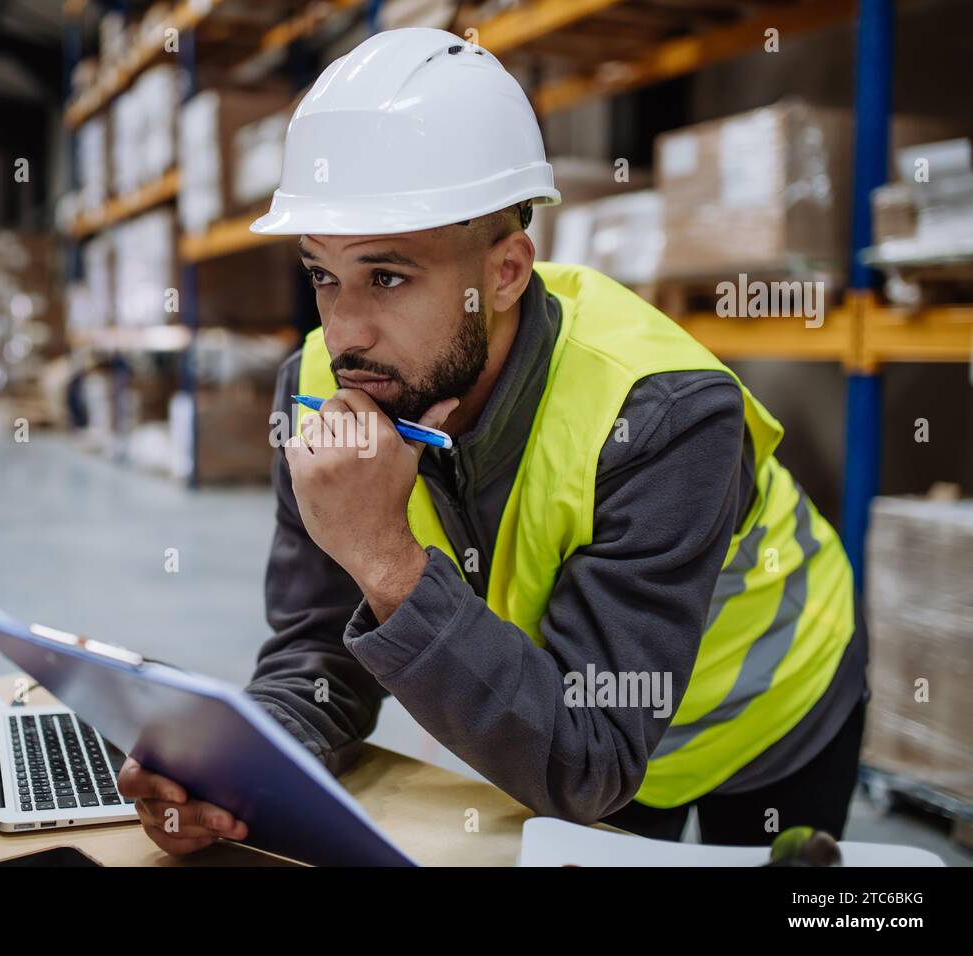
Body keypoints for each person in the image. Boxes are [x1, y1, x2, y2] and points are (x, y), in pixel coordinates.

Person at [118, 27, 867, 855]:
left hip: (766, 714)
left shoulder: (662, 415)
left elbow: (593, 755)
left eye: (388, 276)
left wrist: (386, 561)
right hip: (570, 730)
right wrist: (241, 769)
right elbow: (318, 650)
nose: (344, 331)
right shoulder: (318, 388)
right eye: (324, 275)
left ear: (505, 272)